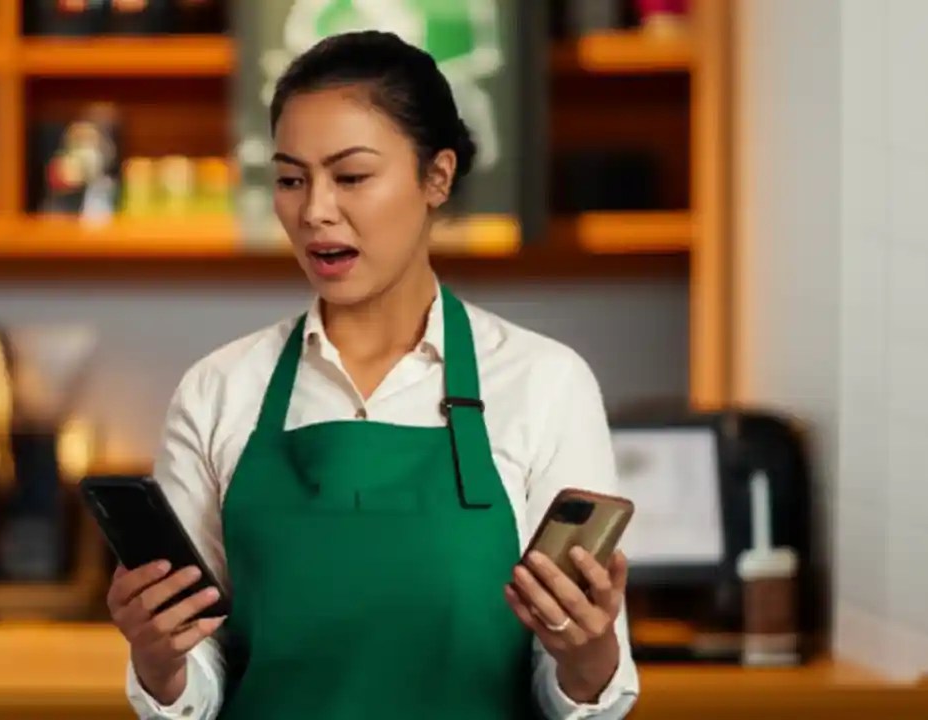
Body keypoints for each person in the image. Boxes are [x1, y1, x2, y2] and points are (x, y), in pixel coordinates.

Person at [108, 30, 639, 720]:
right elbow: (197, 682)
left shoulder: (544, 384)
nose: (315, 210)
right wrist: (159, 659)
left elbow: (587, 697)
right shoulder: (218, 392)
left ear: (436, 177)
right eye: (292, 178)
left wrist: (586, 656)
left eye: (351, 176)